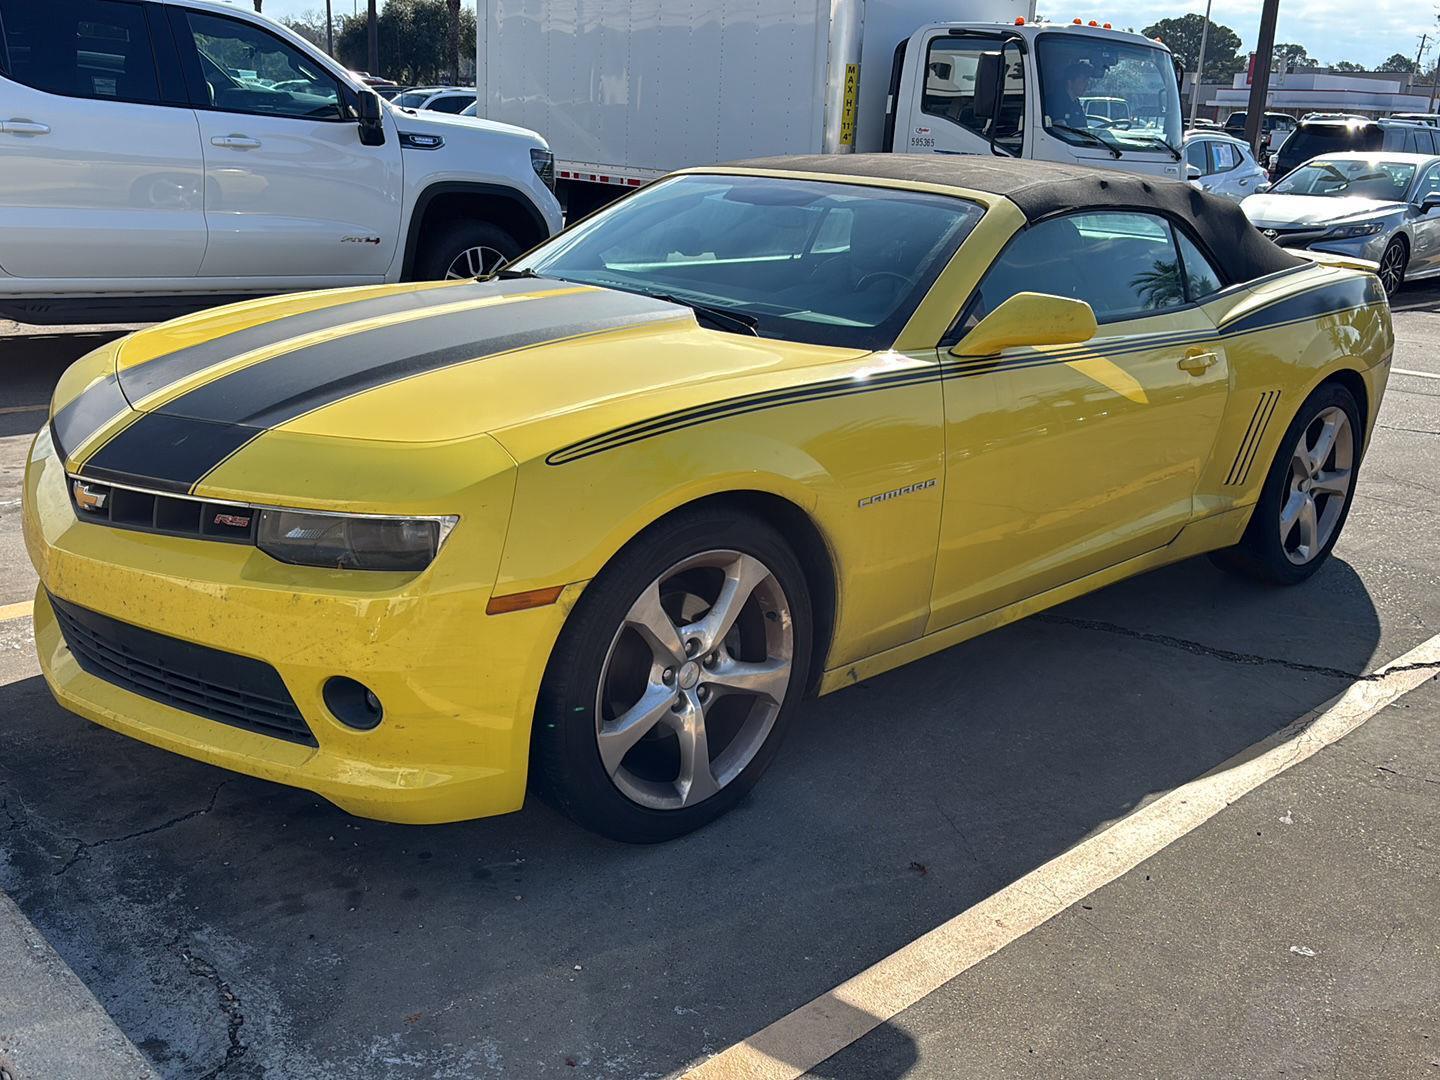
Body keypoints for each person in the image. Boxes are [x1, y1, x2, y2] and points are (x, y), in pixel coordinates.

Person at [1049, 61, 1094, 130]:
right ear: (1070, 82)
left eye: (1088, 82)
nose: (1086, 85)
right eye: (1083, 81)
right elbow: (1061, 130)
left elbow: (1083, 128)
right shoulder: (1056, 102)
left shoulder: (1076, 103)